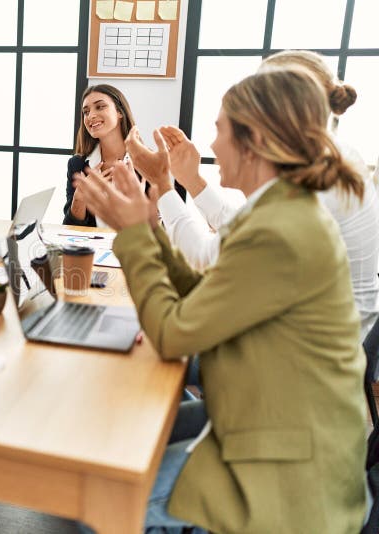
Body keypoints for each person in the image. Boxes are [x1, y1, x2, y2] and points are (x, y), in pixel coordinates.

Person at [76, 68, 367, 532]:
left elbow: (174, 333)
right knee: (114, 441)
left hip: (288, 469)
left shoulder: (281, 230)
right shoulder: (278, 208)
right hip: (266, 420)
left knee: (106, 502)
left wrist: (134, 232)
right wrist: (150, 226)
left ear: (254, 142)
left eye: (219, 131)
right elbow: (200, 292)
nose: (210, 146)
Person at [129, 49, 379, 339]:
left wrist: (161, 185)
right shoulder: (332, 159)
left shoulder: (305, 186)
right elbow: (244, 232)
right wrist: (191, 180)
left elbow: (207, 259)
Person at [62, 84, 136, 227]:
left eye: (100, 107)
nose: (91, 116)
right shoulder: (76, 164)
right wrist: (80, 197)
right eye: (86, 111)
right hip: (91, 248)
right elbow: (70, 229)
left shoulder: (146, 161)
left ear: (120, 112)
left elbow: (158, 227)